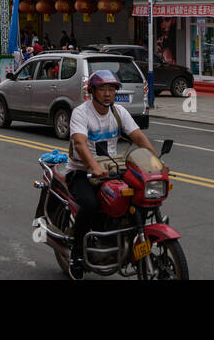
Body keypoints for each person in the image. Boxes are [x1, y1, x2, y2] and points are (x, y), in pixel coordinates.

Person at [66, 69, 158, 280]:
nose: (107, 94)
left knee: (139, 198)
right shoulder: (81, 113)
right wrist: (93, 166)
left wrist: (156, 161)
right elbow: (80, 143)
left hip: (112, 170)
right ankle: (77, 253)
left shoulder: (118, 112)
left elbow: (138, 136)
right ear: (92, 91)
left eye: (111, 89)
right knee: (91, 205)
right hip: (81, 172)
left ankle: (126, 239)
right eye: (102, 89)